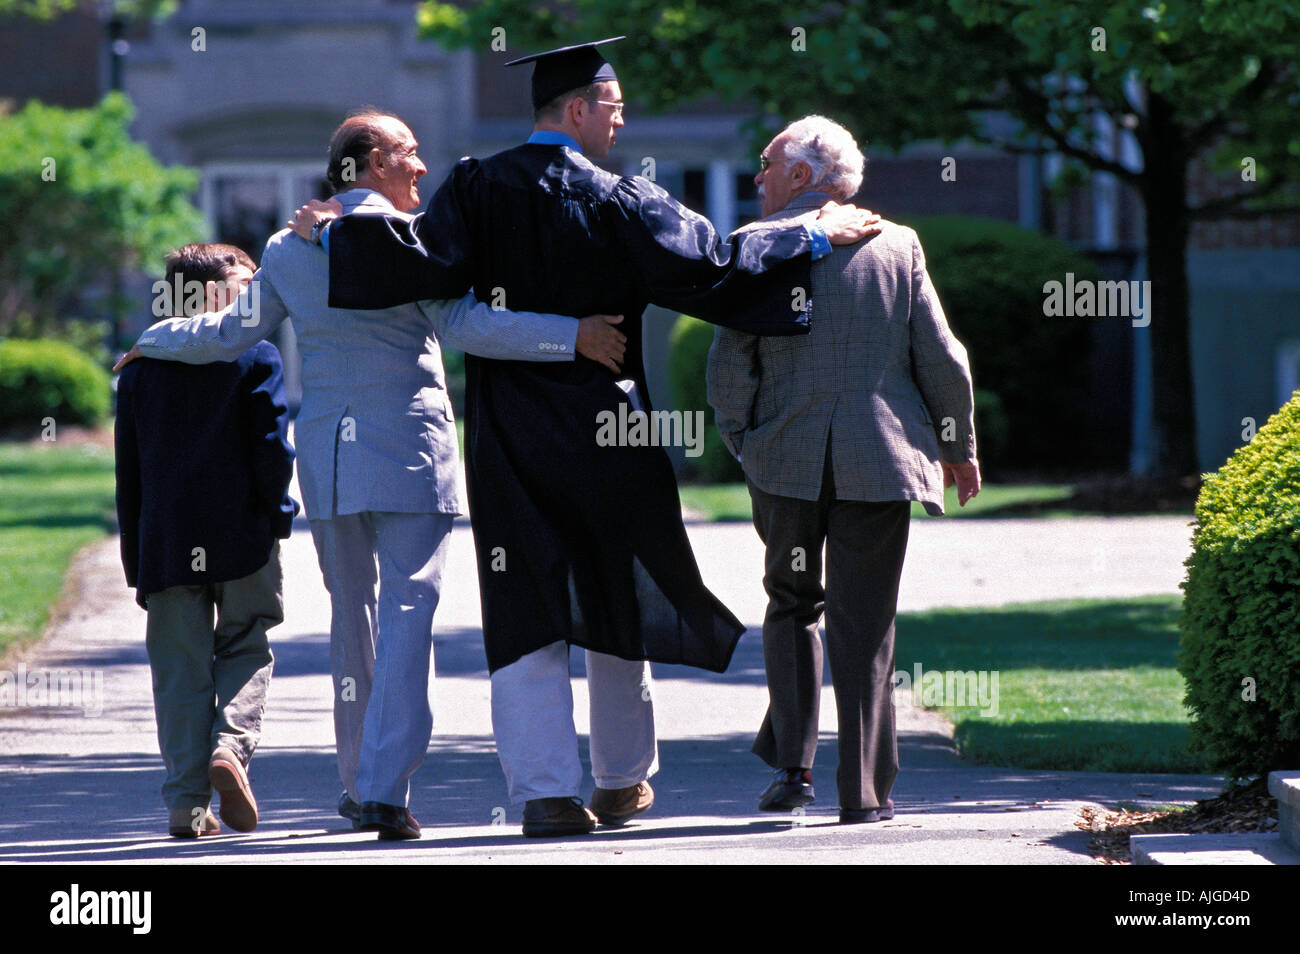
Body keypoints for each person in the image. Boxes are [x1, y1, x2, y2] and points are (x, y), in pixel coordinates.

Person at [299, 38, 880, 837]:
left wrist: (337, 232)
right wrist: (813, 233)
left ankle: (542, 792)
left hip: (511, 434)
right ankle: (620, 779)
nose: (620, 120)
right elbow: (711, 264)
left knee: (525, 601)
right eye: (612, 107)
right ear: (576, 110)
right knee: (619, 588)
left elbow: (420, 259)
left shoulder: (475, 184)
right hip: (610, 426)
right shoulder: (620, 198)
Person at [114, 111, 628, 840]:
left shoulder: (288, 248)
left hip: (331, 460)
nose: (422, 167)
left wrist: (151, 338)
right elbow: (470, 326)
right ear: (373, 162)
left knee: (351, 627)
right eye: (410, 153)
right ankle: (384, 790)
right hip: (409, 456)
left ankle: (358, 786)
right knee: (407, 619)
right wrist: (569, 334)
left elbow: (226, 333)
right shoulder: (409, 243)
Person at [708, 115, 981, 824]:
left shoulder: (751, 248)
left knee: (792, 605)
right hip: (881, 458)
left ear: (801, 175)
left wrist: (743, 438)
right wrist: (958, 443)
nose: (758, 175)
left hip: (785, 459)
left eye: (767, 163)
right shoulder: (900, 245)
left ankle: (793, 773)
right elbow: (940, 354)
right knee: (865, 621)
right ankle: (863, 793)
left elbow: (731, 359)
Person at [116, 242, 298, 838]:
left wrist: (135, 559)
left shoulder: (139, 369)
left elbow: (130, 473)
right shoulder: (257, 357)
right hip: (243, 533)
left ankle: (186, 805)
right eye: (244, 280)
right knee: (246, 644)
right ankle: (231, 750)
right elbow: (271, 449)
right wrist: (278, 517)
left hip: (166, 542)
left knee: (179, 670)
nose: (256, 292)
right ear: (204, 292)